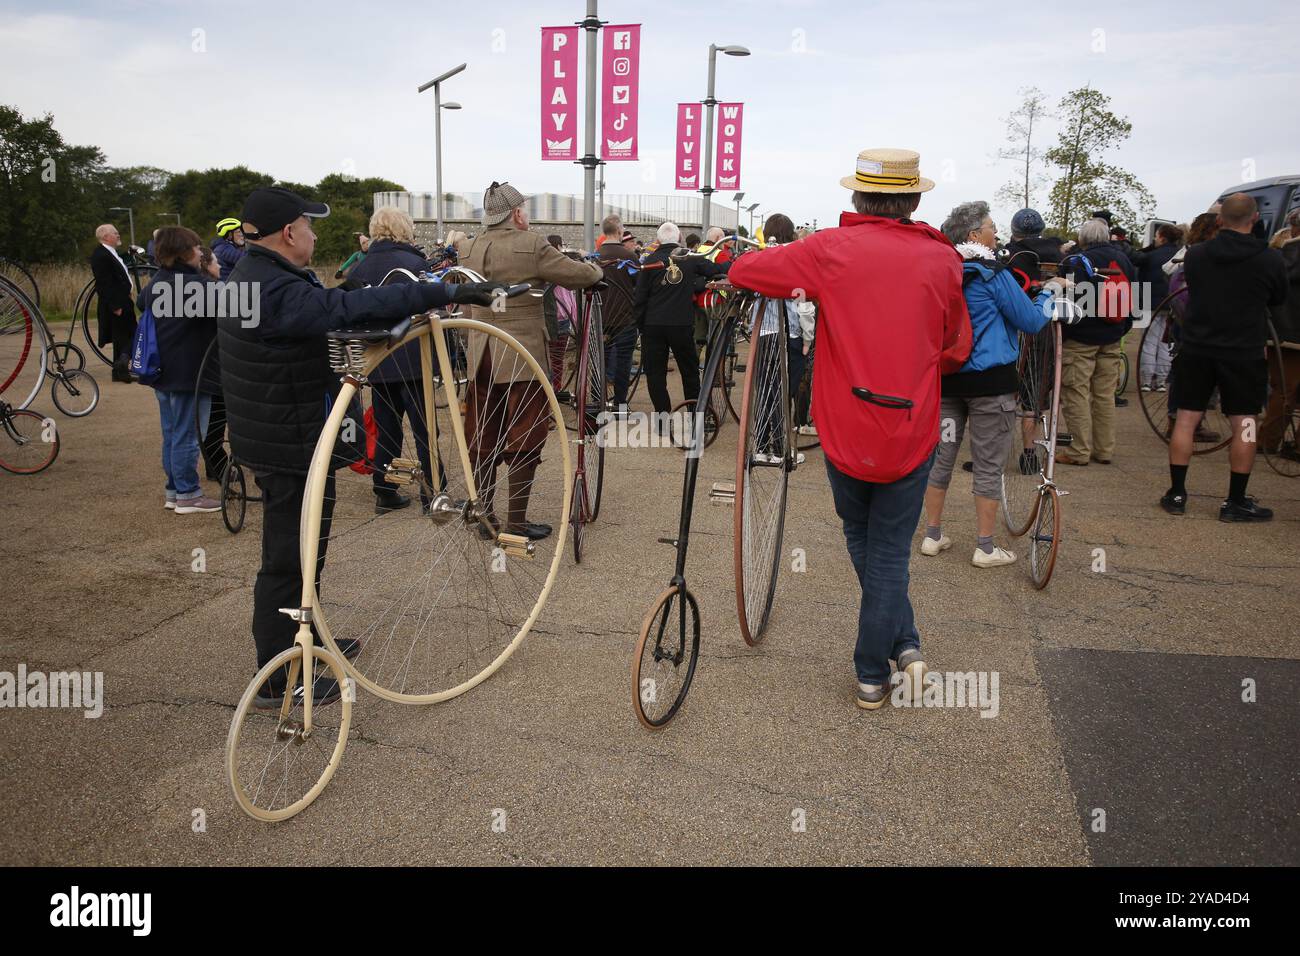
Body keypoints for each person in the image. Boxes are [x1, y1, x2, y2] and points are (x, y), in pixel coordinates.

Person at [219, 186, 506, 708]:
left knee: (305, 551)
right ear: (288, 233)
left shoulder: (254, 274)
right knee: (289, 557)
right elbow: (346, 305)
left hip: (280, 433)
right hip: (290, 442)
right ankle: (281, 675)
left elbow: (333, 316)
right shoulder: (273, 286)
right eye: (308, 226)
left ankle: (306, 641)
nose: (313, 234)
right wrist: (440, 291)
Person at [727, 147, 972, 712]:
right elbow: (956, 347)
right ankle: (900, 644)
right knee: (889, 548)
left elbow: (745, 270)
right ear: (913, 199)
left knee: (862, 538)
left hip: (846, 426)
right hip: (910, 423)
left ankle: (873, 669)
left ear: (857, 196)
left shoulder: (829, 251)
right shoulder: (942, 260)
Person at [455, 181, 603, 541]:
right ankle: (516, 523)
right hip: (521, 355)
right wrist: (596, 272)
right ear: (517, 213)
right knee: (525, 434)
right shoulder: (531, 244)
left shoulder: (467, 247)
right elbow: (576, 274)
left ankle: (485, 517)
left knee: (482, 434)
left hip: (481, 355)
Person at [923, 201, 1066, 567]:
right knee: (988, 464)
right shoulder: (993, 274)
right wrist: (1050, 293)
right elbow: (1031, 321)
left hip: (949, 380)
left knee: (942, 457)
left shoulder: (941, 273)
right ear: (974, 235)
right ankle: (985, 547)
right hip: (991, 384)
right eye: (991, 226)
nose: (997, 232)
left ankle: (932, 534)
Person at [1161, 192, 1288, 521]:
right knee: (1245, 422)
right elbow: (1278, 297)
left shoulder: (1198, 255)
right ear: (1255, 219)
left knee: (1187, 418)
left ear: (1219, 220)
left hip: (1198, 347)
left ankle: (1176, 493)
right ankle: (1235, 500)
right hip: (1243, 351)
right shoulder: (1270, 259)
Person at [347, 206, 442, 514]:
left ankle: (385, 489)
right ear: (404, 228)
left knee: (387, 426)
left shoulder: (360, 268)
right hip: (415, 357)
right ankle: (433, 493)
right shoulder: (415, 262)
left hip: (378, 358)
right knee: (424, 429)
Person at [137, 226, 223, 514]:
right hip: (191, 374)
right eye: (196, 248)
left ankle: (174, 490)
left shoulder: (158, 281)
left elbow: (141, 302)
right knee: (188, 435)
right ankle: (188, 494)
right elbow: (243, 305)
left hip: (163, 371)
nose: (201, 253)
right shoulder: (196, 286)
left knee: (172, 433)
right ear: (184, 252)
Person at [1055, 218, 1135, 465]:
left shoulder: (1075, 262)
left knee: (1076, 392)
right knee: (1104, 394)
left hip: (1080, 338)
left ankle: (1079, 450)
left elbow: (1066, 298)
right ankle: (1104, 449)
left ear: (1082, 238)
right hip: (1112, 335)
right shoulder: (1124, 259)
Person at [633, 221, 731, 422]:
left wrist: (641, 326)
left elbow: (640, 298)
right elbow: (716, 269)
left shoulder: (650, 260)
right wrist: (734, 262)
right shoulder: (689, 258)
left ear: (658, 240)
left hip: (654, 324)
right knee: (689, 371)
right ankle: (694, 416)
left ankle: (662, 417)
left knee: (656, 374)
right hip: (682, 323)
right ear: (679, 238)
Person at [748, 213, 815, 459]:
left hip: (762, 333)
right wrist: (808, 339)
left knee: (764, 390)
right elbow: (804, 307)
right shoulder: (797, 262)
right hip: (790, 336)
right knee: (782, 393)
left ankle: (761, 446)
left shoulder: (759, 258)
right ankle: (779, 448)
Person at [1137, 223, 1184, 391]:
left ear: (1162, 237)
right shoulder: (1180, 255)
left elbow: (1140, 280)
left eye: (1156, 236)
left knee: (1148, 342)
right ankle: (1162, 380)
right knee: (1166, 342)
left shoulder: (1149, 256)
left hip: (1150, 303)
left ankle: (1147, 380)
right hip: (1173, 303)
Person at [89, 223, 137, 383]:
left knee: (124, 336)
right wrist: (115, 305)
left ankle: (120, 369)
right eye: (115, 233)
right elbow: (104, 283)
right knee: (131, 335)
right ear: (105, 237)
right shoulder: (100, 255)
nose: (118, 235)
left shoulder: (110, 253)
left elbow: (119, 270)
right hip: (117, 303)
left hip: (123, 300)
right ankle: (121, 367)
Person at [599, 229, 640, 410]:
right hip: (625, 317)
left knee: (599, 360)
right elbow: (639, 282)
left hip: (600, 316)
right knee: (623, 362)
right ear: (619, 231)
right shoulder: (629, 255)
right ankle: (620, 406)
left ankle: (596, 402)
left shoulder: (595, 256)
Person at [1005, 208, 1065, 283]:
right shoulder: (1064, 256)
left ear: (1013, 231)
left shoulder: (1006, 259)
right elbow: (1072, 291)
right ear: (1041, 230)